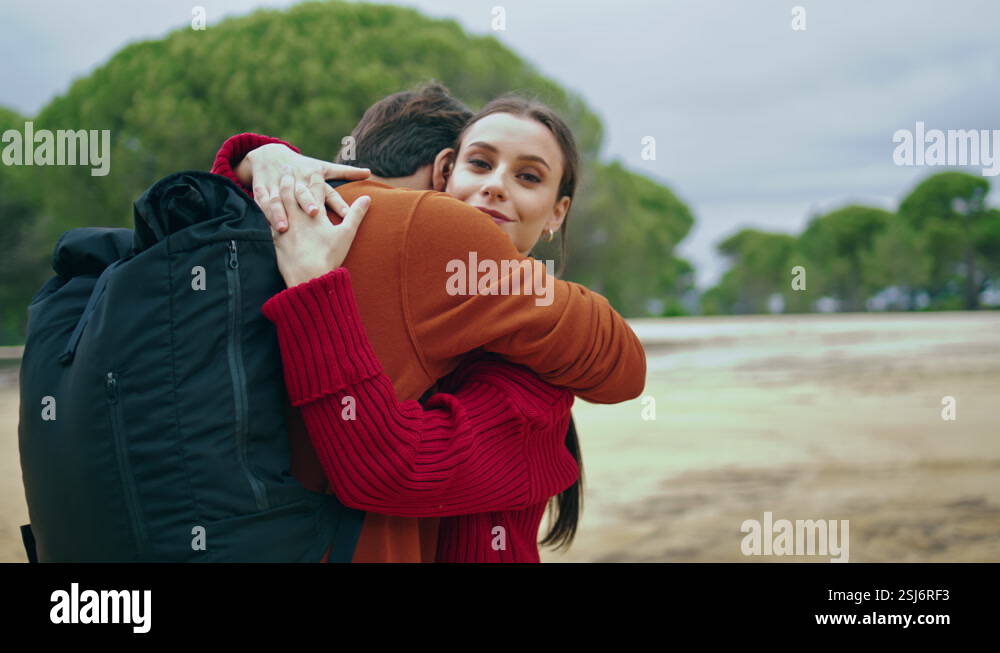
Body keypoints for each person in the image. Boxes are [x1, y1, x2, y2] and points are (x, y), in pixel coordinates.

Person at [210, 82, 646, 562]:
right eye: (479, 164)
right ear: (444, 175)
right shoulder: (412, 274)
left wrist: (314, 290)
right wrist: (265, 157)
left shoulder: (535, 381)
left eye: (528, 176)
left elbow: (390, 469)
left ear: (556, 214)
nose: (496, 184)